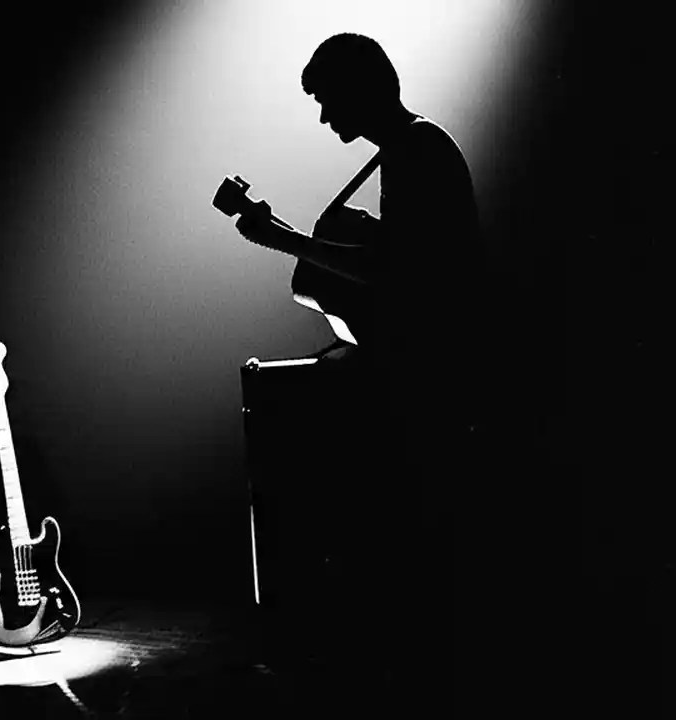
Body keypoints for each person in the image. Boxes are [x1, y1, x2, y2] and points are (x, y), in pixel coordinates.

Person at [232, 33, 508, 714]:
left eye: (328, 100)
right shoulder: (406, 151)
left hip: (431, 384)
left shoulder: (418, 151)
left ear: (361, 86)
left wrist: (287, 241)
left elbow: (400, 276)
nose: (325, 119)